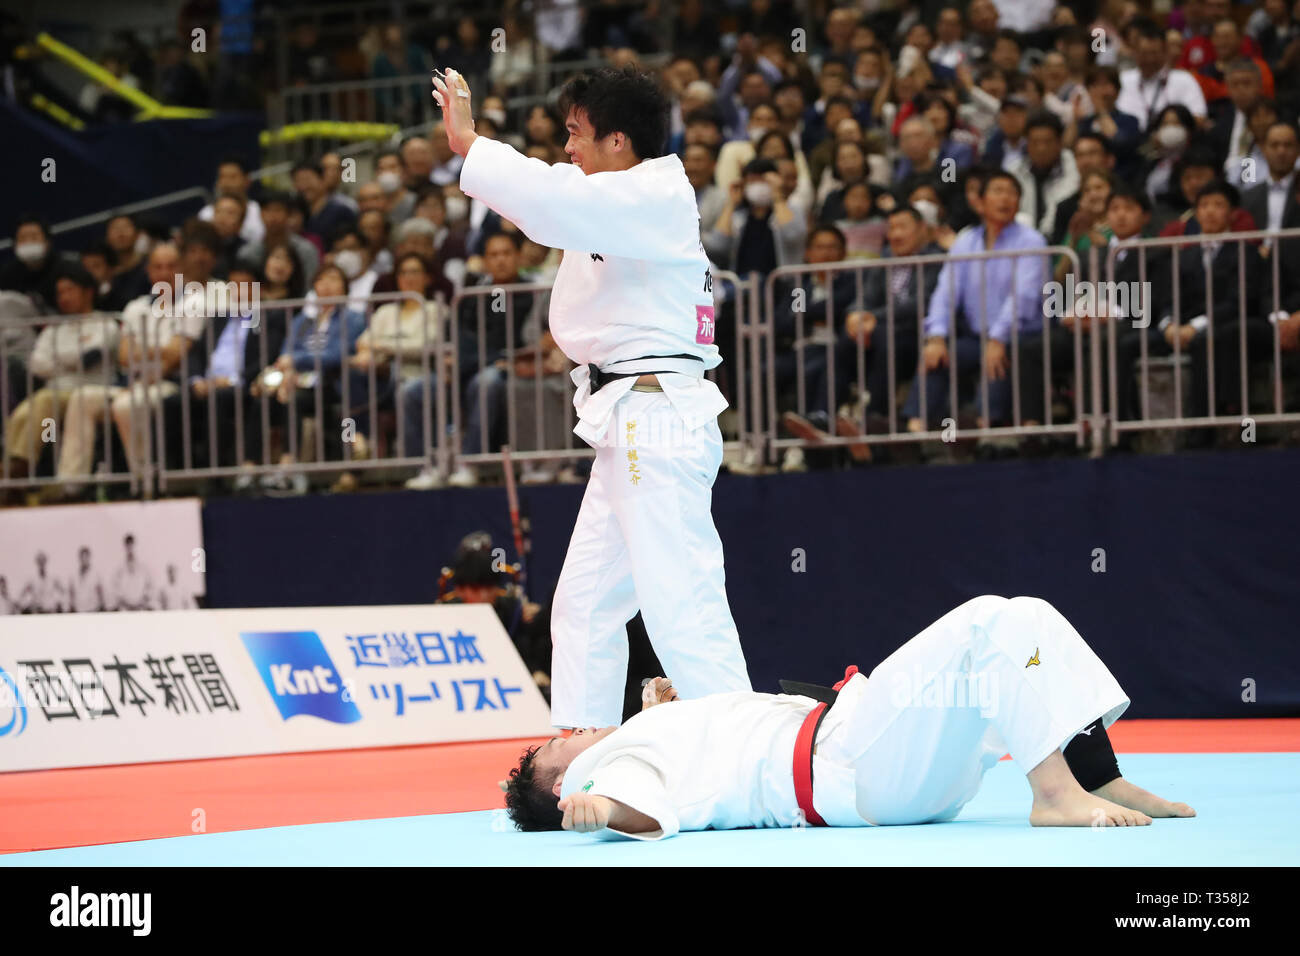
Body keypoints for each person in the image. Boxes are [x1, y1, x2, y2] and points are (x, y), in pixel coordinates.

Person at [433, 65, 752, 729]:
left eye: (576, 133)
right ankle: (581, 751)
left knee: (679, 596)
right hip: (627, 420)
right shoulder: (618, 204)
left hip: (655, 416)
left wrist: (471, 144)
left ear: (619, 141)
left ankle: (739, 745)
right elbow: (556, 207)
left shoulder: (654, 194)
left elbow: (553, 201)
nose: (567, 148)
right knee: (584, 601)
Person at [504, 594, 1196, 836]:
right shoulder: (610, 772)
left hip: (885, 769)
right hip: (851, 765)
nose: (572, 733)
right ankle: (1053, 796)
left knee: (1025, 619)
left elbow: (686, 745)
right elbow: (643, 808)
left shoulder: (642, 736)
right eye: (556, 747)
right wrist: (602, 810)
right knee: (987, 621)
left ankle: (1095, 773)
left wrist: (658, 714)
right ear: (562, 781)